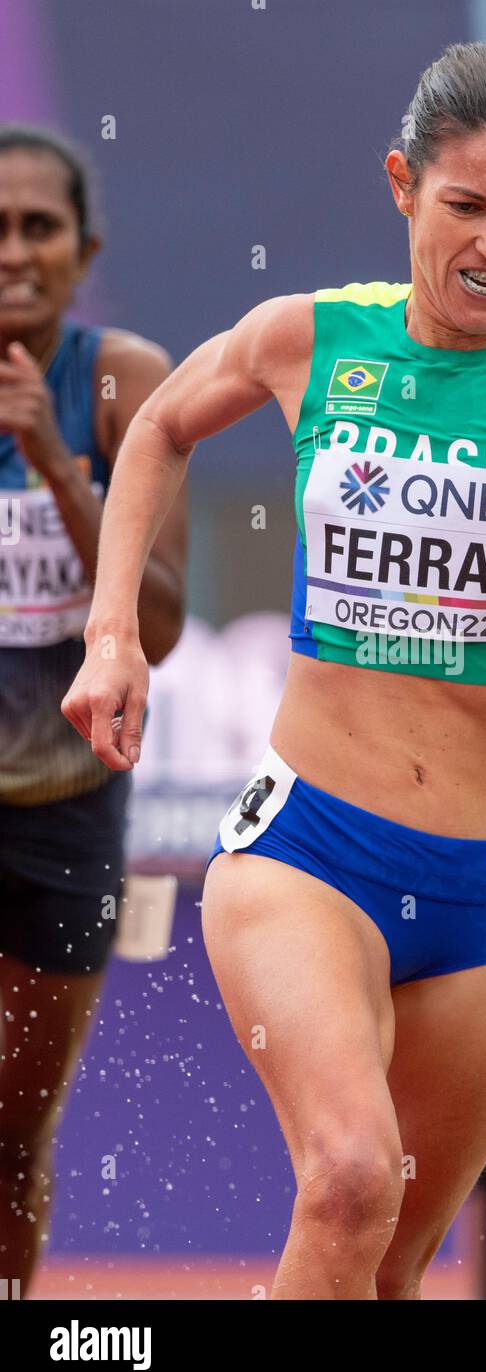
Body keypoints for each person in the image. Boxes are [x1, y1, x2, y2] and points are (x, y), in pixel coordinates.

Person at [61, 43, 486, 1300]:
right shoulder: (310, 338)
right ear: (400, 186)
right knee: (351, 1180)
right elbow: (151, 425)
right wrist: (110, 634)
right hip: (309, 848)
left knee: (391, 1267)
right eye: (464, 206)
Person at [0, 125, 187, 1296]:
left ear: (85, 249)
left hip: (66, 809)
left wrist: (52, 457)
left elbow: (160, 625)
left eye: (39, 227)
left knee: (13, 1138)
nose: (15, 251)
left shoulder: (120, 380)